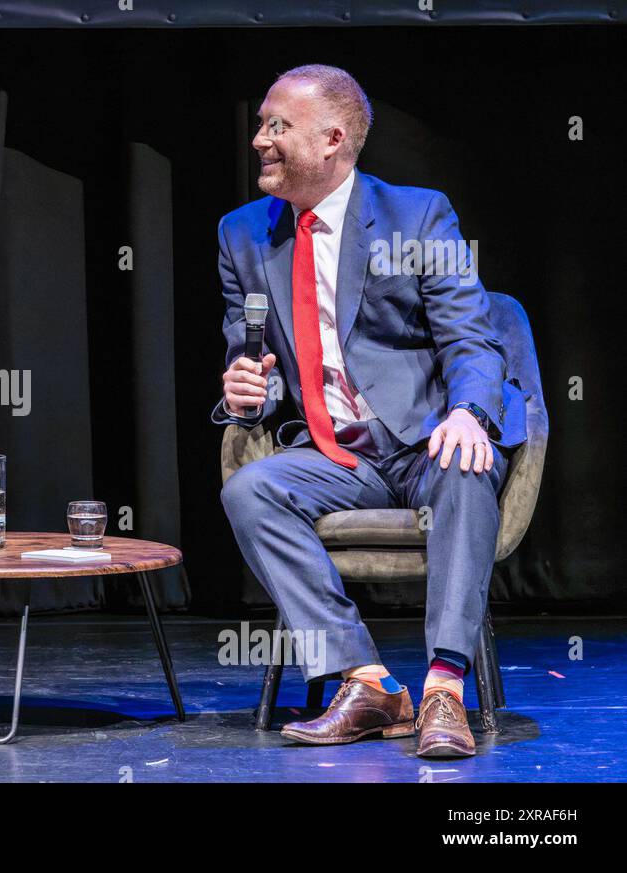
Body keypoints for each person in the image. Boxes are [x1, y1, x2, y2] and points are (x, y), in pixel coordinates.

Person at [213, 66, 527, 757]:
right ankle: (367, 680)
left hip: (424, 439)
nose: (259, 139)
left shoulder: (417, 216)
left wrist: (470, 412)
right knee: (250, 489)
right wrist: (248, 389)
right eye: (262, 123)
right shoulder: (242, 234)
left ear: (331, 140)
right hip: (335, 452)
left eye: (276, 126)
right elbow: (255, 351)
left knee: (465, 461)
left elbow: (472, 336)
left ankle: (446, 686)